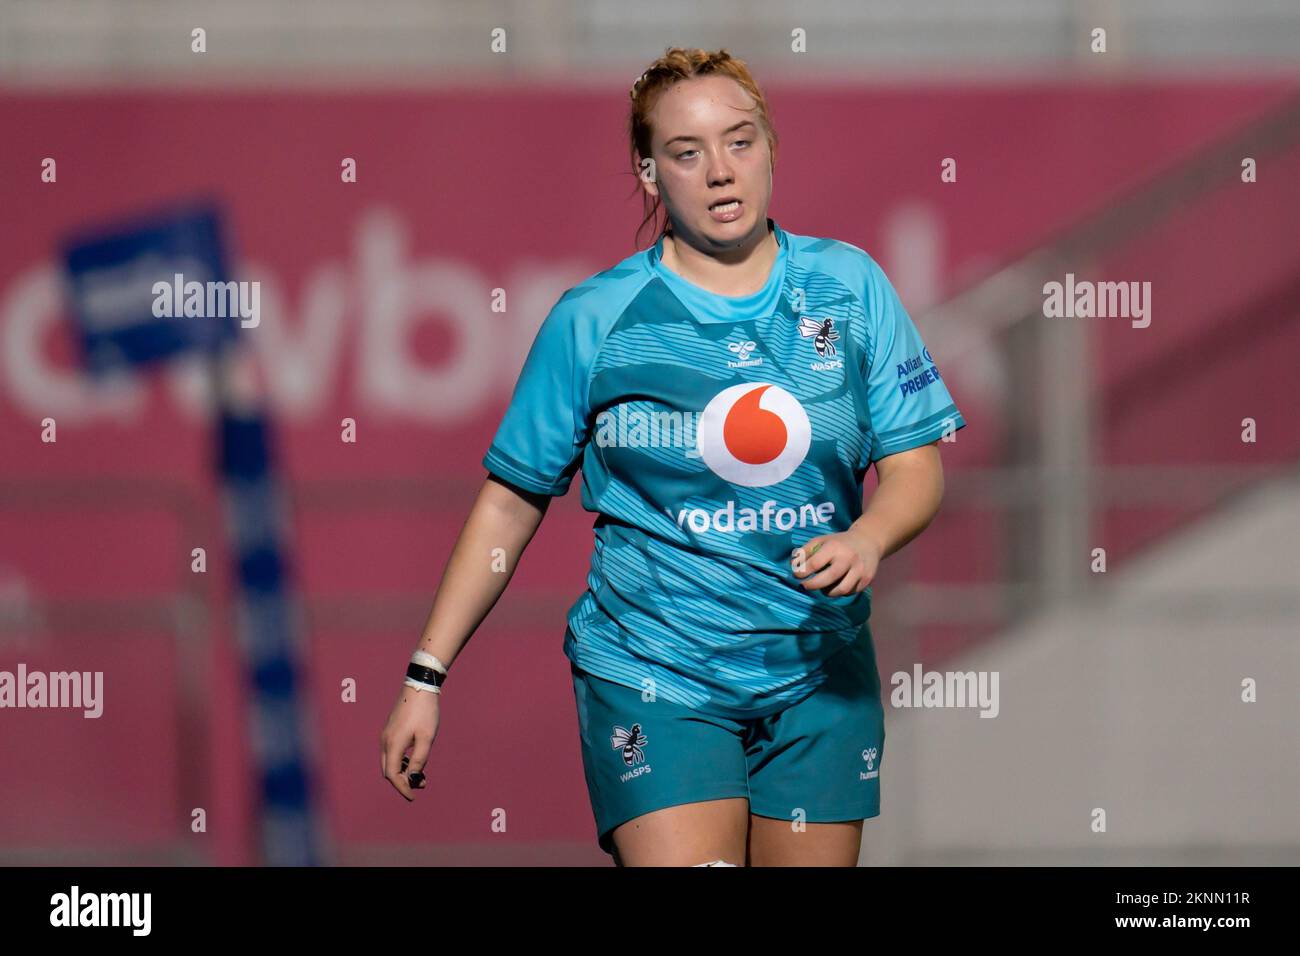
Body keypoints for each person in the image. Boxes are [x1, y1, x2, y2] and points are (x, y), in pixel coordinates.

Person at [381, 47, 966, 867]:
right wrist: (425, 676)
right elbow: (510, 501)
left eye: (740, 142)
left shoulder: (850, 286)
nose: (720, 172)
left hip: (817, 670)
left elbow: (914, 465)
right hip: (654, 675)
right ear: (650, 174)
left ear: (770, 149)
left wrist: (868, 539)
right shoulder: (595, 318)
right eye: (687, 154)